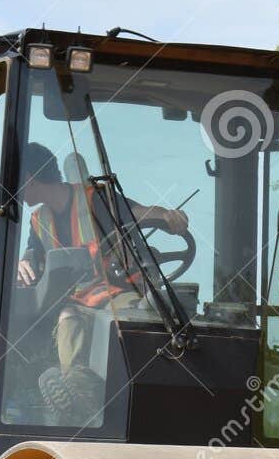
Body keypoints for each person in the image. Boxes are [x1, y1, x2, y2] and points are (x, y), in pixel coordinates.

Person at [13, 142, 189, 422]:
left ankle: (105, 392)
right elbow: (32, 252)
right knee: (67, 319)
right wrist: (24, 261)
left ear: (29, 178)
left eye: (15, 180)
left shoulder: (96, 199)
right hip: (76, 300)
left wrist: (169, 217)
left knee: (131, 316)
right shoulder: (38, 219)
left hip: (119, 291)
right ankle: (80, 392)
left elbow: (141, 212)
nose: (13, 189)